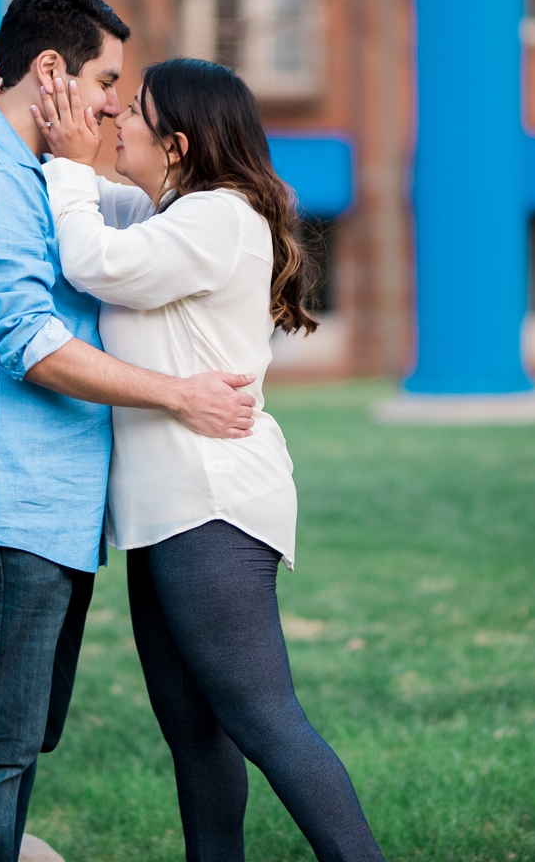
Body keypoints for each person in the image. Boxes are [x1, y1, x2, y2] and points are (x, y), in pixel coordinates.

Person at [0, 0, 260, 862]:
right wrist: (179, 394)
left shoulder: (29, 171)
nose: (112, 104)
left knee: (15, 745)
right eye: (108, 81)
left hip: (48, 516)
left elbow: (141, 224)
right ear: (52, 70)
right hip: (4, 512)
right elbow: (31, 345)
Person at [32, 57, 387, 862]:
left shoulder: (219, 218)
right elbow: (93, 204)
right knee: (194, 733)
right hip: (167, 517)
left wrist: (63, 160)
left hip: (212, 505)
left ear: (179, 144)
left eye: (138, 114)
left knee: (265, 718)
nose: (121, 120)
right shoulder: (177, 212)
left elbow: (95, 260)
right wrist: (50, 129)